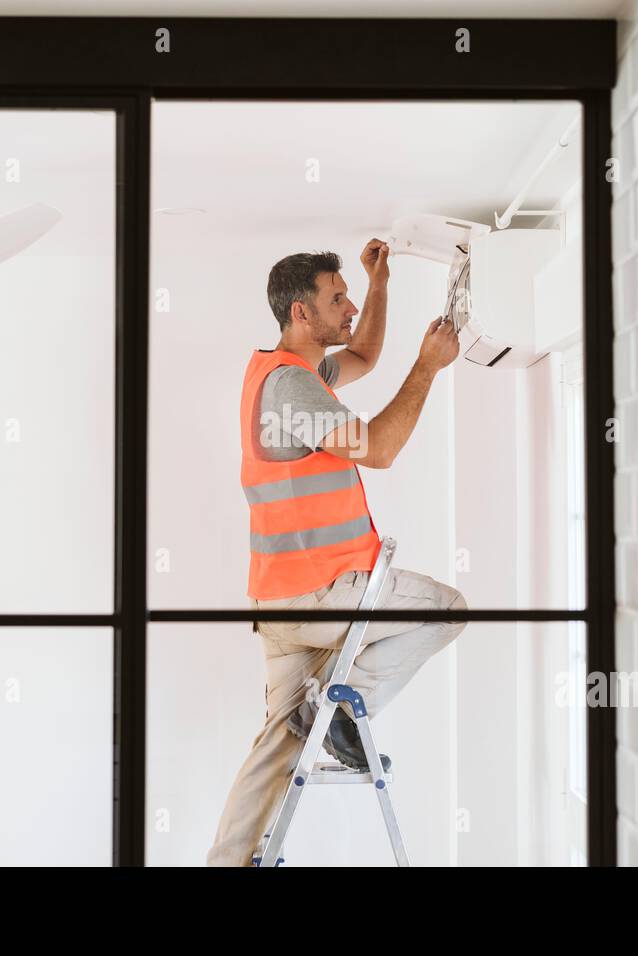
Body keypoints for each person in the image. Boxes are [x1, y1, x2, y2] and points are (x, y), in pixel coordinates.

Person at [205, 239, 468, 867]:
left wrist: (379, 282)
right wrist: (429, 366)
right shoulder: (293, 389)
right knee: (448, 609)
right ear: (301, 312)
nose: (348, 307)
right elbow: (377, 448)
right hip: (324, 587)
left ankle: (229, 862)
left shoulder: (284, 371)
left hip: (279, 599)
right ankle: (341, 706)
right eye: (337, 297)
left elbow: (366, 355)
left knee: (278, 743)